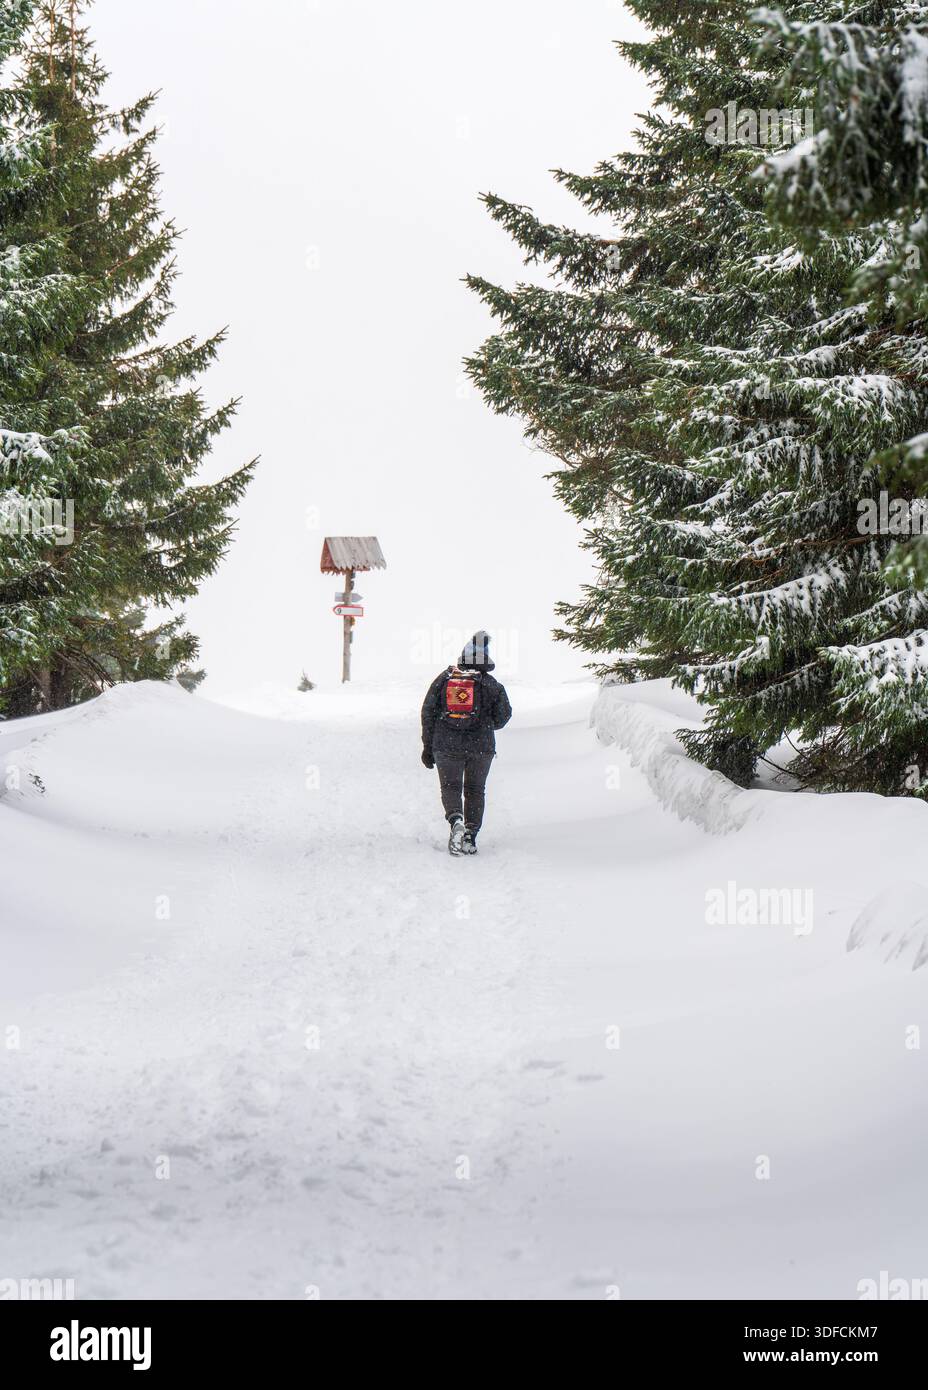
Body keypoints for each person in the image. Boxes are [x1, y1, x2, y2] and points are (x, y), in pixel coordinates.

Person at [420, 630, 512, 855]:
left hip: (446, 744)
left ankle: (456, 820)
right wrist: (484, 723)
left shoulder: (445, 679)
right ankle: (470, 835)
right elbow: (503, 716)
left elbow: (428, 712)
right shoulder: (492, 685)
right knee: (475, 789)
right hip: (481, 748)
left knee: (451, 787)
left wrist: (428, 746)